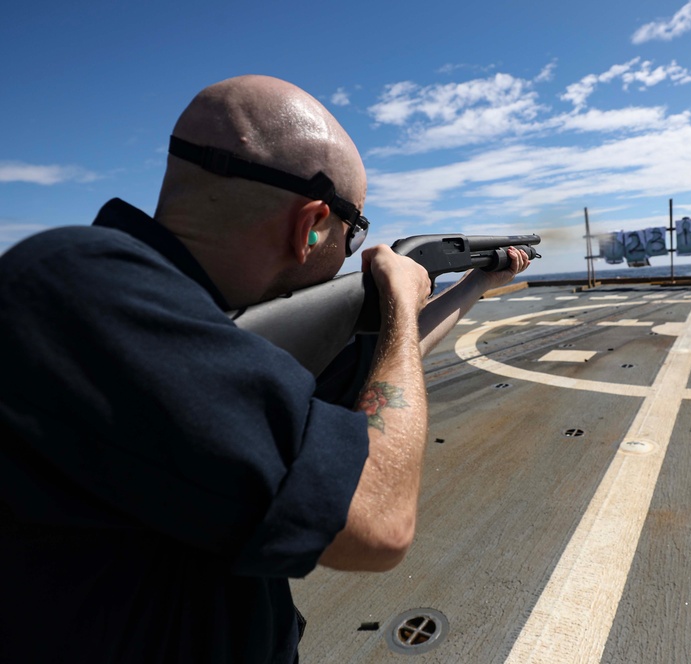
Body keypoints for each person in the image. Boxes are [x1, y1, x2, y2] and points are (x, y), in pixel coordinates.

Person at [0, 75, 530, 663]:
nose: (349, 256)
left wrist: (473, 286)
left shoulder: (167, 322)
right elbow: (377, 523)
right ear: (310, 227)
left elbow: (377, 385)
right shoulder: (83, 289)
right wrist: (400, 304)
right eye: (353, 237)